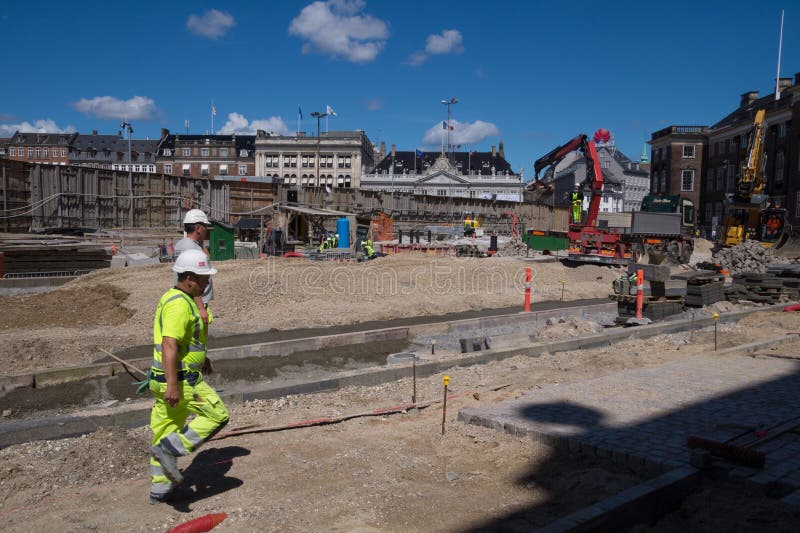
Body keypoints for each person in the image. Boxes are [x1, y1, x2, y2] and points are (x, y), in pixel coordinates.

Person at [148, 249, 229, 504]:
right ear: (190, 278)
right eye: (204, 279)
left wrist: (201, 358)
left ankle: (160, 490)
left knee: (166, 428)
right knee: (217, 415)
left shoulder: (180, 299)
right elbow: (170, 344)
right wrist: (173, 384)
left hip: (166, 377)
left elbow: (187, 340)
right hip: (180, 380)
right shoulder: (178, 306)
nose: (207, 284)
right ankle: (170, 450)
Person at [174, 209, 214, 326]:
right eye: (205, 226)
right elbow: (191, 280)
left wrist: (201, 243)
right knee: (196, 339)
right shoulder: (191, 249)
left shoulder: (183, 244)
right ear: (197, 228)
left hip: (190, 299)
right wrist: (201, 308)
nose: (207, 230)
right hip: (195, 301)